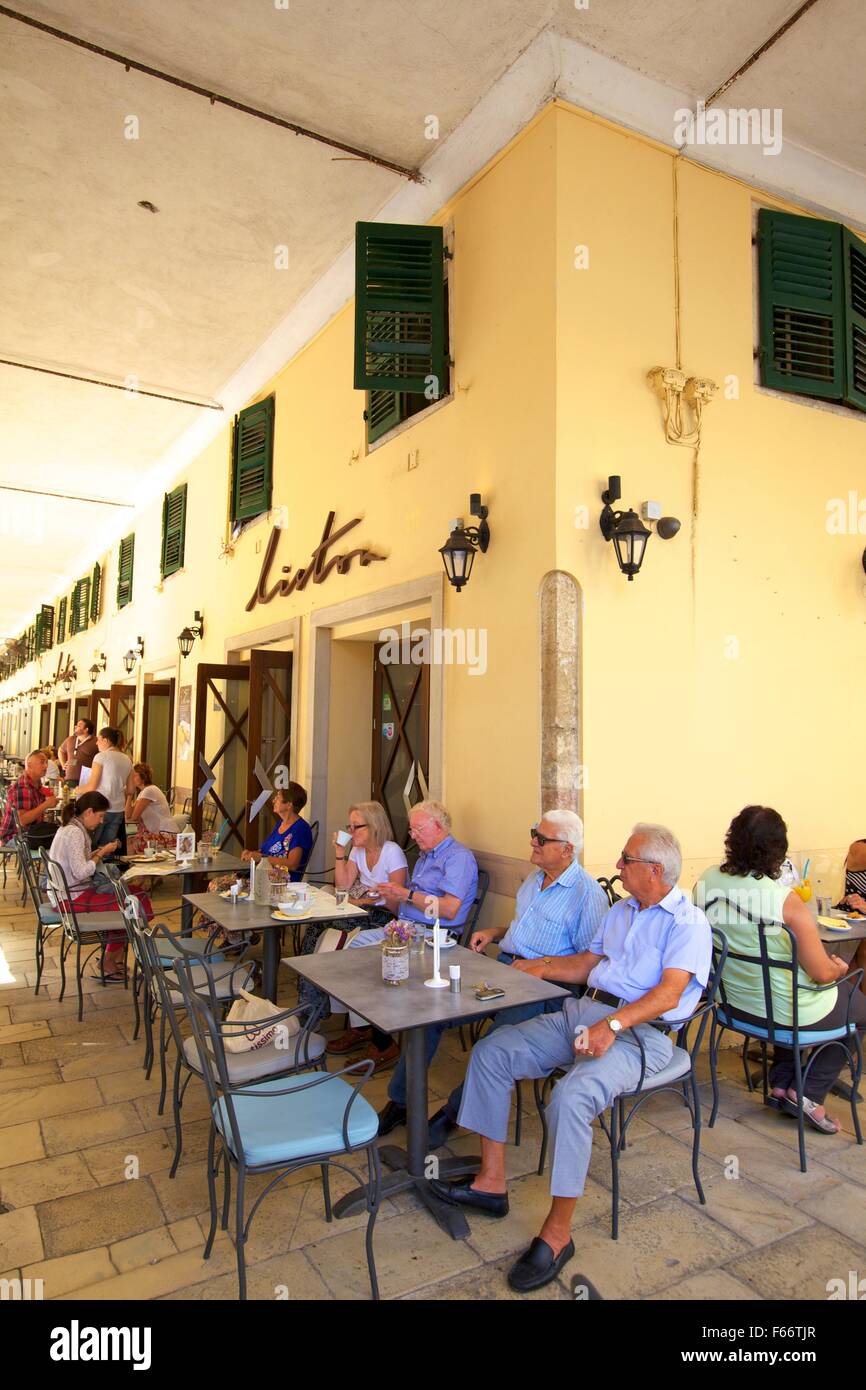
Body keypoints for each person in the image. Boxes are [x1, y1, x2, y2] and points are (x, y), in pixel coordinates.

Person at [429, 824, 711, 1293]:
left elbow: (667, 995)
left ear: (655, 870)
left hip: (643, 1035)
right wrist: (534, 967)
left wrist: (612, 1026)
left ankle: (558, 1235)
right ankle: (491, 1183)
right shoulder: (622, 910)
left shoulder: (687, 923)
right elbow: (586, 963)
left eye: (626, 860)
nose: (617, 867)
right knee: (492, 1052)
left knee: (572, 1095)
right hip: (583, 1011)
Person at [377, 810, 609, 1144]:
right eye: (534, 832)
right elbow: (527, 931)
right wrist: (495, 932)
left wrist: (539, 966)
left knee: (493, 1046)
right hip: (505, 968)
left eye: (542, 839)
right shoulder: (535, 878)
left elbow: (589, 964)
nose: (533, 841)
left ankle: (451, 1116)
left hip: (546, 988)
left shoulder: (587, 895)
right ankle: (400, 1100)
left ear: (567, 850)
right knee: (428, 1014)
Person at [696, 806, 866, 1133]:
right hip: (783, 1010)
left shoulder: (706, 881)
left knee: (784, 983)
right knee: (856, 1007)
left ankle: (781, 1084)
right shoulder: (784, 901)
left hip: (732, 1005)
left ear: (732, 840)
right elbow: (819, 973)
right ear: (777, 850)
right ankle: (808, 1094)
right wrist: (837, 967)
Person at [332, 800, 477, 1079]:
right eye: (411, 830)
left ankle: (383, 1043)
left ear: (438, 826)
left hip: (433, 935)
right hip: (408, 926)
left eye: (417, 829)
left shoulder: (457, 857)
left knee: (365, 956)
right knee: (353, 949)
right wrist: (395, 895)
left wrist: (405, 895)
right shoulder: (427, 855)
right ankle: (370, 1030)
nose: (412, 835)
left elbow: (448, 909)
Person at [320, 801, 408, 1050]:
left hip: (385, 917)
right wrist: (340, 851)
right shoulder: (358, 851)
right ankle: (331, 1011)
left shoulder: (392, 852)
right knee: (321, 933)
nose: (351, 831)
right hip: (362, 910)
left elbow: (396, 903)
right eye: (349, 826)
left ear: (374, 826)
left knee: (343, 946)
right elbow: (343, 886)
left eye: (356, 826)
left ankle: (357, 1026)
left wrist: (364, 901)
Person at [49, 790, 152, 980]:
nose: (102, 821)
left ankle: (115, 957)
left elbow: (76, 863)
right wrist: (100, 854)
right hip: (72, 898)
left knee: (135, 895)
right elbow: (81, 872)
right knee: (136, 905)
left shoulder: (71, 828)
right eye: (101, 816)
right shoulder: (75, 833)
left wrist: (96, 852)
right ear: (88, 812)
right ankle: (110, 961)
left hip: (69, 893)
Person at [206, 784, 313, 947]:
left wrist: (261, 857)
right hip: (260, 876)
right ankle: (242, 934)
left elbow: (292, 864)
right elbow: (265, 852)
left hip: (278, 883)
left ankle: (240, 936)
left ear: (289, 804)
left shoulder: (300, 829)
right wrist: (251, 853)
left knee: (218, 887)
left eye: (278, 797)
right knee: (215, 889)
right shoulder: (280, 825)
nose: (274, 799)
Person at [78, 728, 133, 855]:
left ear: (106, 740)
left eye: (98, 740)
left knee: (92, 846)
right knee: (106, 848)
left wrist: (77, 789)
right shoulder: (127, 759)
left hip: (100, 808)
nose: (96, 743)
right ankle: (104, 873)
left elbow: (92, 786)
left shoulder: (101, 757)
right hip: (118, 809)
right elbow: (130, 789)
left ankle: (91, 872)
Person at [0, 751, 58, 848]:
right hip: (16, 837)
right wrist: (46, 804)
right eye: (42, 762)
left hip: (30, 832)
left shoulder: (36, 783)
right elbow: (23, 820)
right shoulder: (23, 787)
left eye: (46, 763)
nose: (46, 766)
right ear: (29, 765)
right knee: (60, 842)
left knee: (61, 836)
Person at [125, 763, 178, 852]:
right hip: (157, 832)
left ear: (143, 777)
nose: (132, 779)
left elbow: (134, 817)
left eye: (135, 775)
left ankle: (134, 865)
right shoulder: (143, 793)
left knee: (132, 844)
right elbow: (128, 815)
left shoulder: (149, 790)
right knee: (130, 842)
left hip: (166, 833)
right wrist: (130, 795)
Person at [59, 718, 98, 787]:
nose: (76, 727)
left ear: (86, 729)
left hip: (86, 779)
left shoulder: (95, 741)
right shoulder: (70, 739)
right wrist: (63, 764)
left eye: (79, 726)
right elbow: (61, 750)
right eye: (76, 725)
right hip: (70, 778)